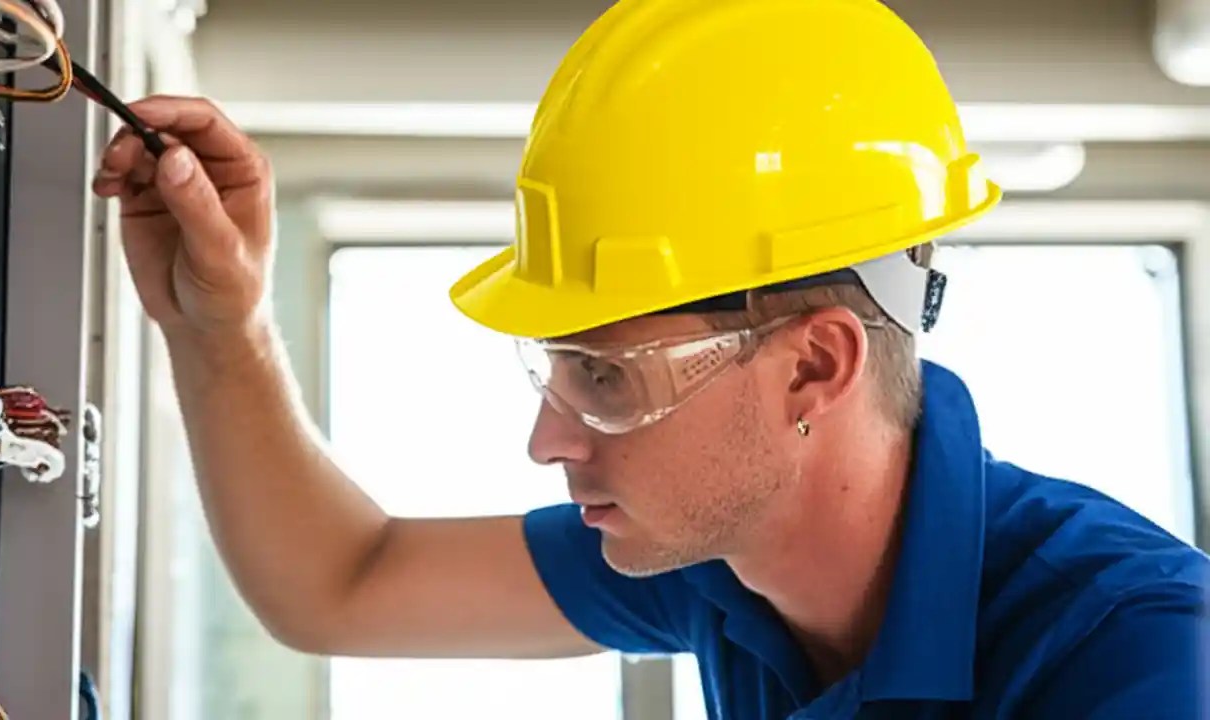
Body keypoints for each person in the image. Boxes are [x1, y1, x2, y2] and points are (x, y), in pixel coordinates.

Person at [93, 0, 1210, 717]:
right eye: (559, 370)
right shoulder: (717, 570)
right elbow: (343, 587)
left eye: (607, 379)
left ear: (811, 370)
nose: (546, 438)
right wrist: (218, 322)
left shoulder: (1136, 657)